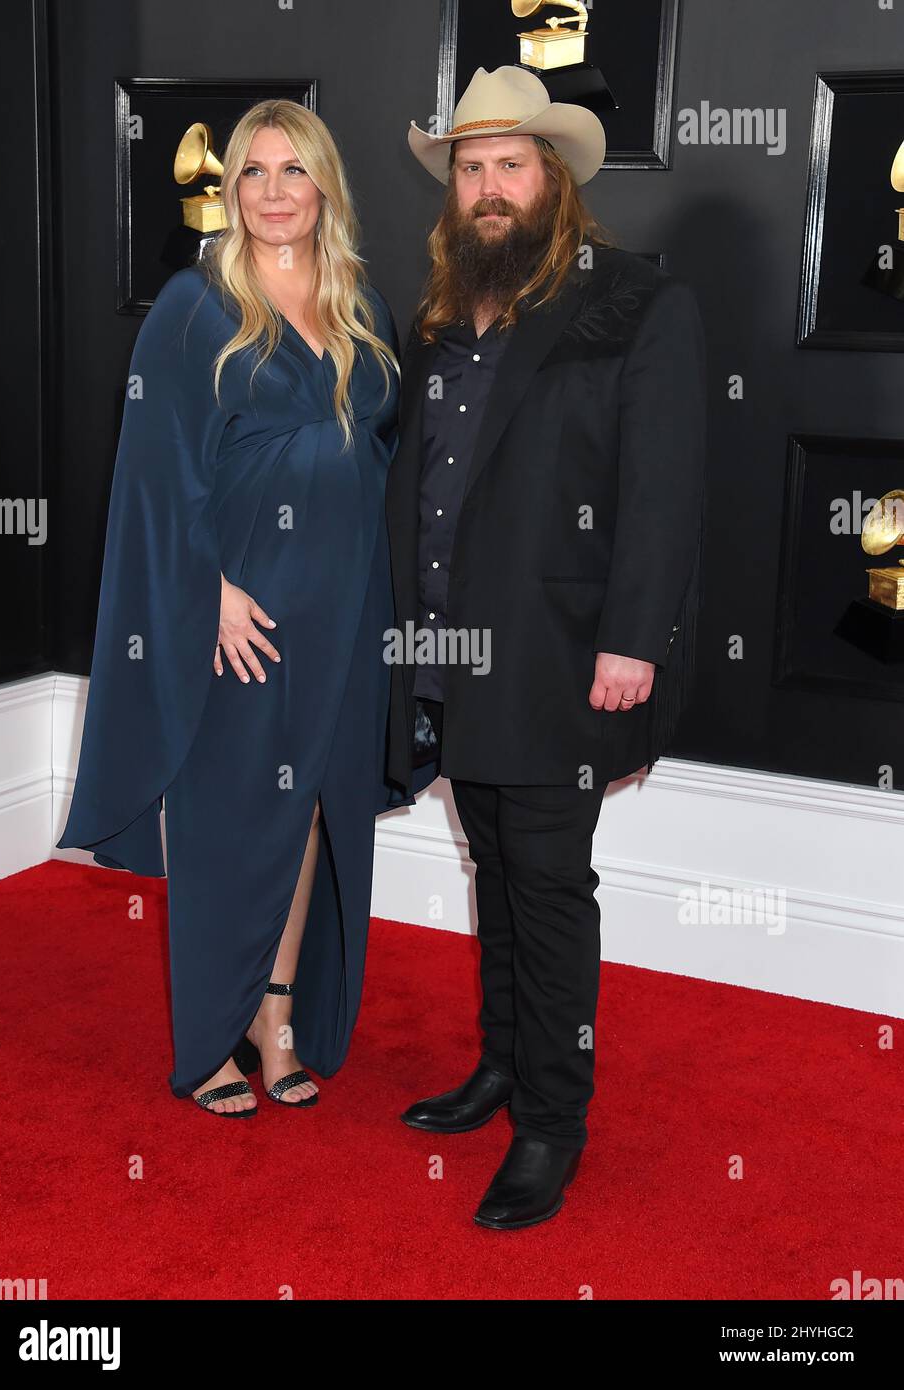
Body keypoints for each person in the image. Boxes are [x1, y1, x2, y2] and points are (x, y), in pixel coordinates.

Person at [386, 66, 707, 1226]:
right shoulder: (434, 317)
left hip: (565, 653)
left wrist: (633, 643)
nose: (485, 186)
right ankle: (502, 1064)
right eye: (468, 167)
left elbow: (663, 490)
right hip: (450, 651)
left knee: (550, 885)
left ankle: (550, 1123)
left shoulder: (632, 302)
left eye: (507, 164)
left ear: (553, 176)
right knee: (496, 871)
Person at [57, 98, 414, 1117]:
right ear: (232, 191)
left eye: (290, 171)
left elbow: (381, 462)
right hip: (243, 611)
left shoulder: (362, 306)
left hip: (343, 609)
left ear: (323, 187)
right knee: (226, 818)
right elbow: (154, 476)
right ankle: (210, 1038)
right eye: (251, 173)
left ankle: (273, 1015)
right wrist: (203, 592)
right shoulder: (193, 306)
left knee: (305, 815)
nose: (270, 192)